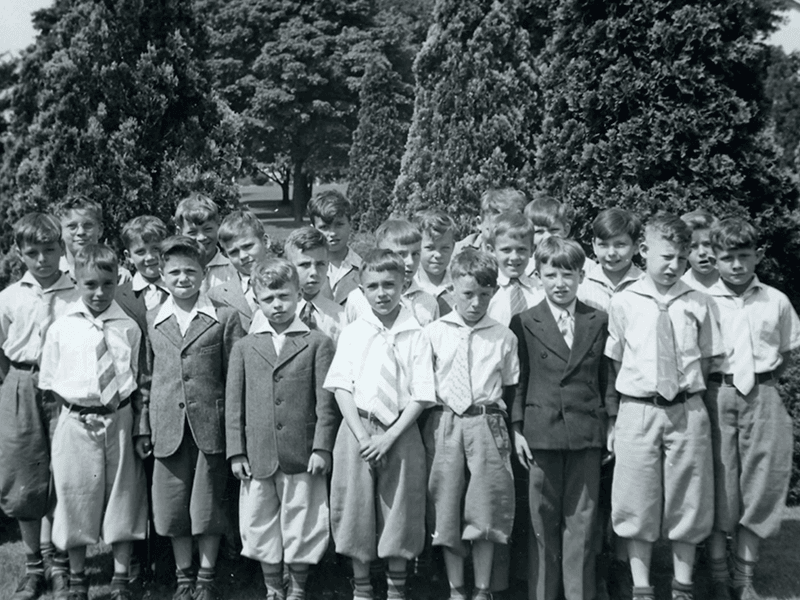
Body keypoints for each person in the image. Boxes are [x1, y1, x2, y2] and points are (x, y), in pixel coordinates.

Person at [605, 213, 722, 600]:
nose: (674, 265)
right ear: (644, 251)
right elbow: (616, 360)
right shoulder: (624, 302)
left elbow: (707, 359)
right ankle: (642, 587)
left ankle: (682, 586)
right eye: (666, 256)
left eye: (681, 258)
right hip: (638, 409)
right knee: (635, 499)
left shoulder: (700, 302)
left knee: (689, 499)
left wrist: (687, 396)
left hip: (686, 410)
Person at [324, 249, 436, 600]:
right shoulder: (354, 332)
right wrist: (361, 436)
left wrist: (389, 437)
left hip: (400, 429)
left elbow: (422, 393)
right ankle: (362, 587)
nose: (382, 293)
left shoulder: (417, 333)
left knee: (400, 506)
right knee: (355, 505)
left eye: (390, 284)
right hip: (357, 428)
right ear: (361, 290)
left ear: (404, 284)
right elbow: (341, 387)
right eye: (373, 286)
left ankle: (396, 588)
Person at [39, 244, 148, 600]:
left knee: (124, 496)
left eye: (107, 283)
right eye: (90, 285)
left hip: (119, 419)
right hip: (76, 421)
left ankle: (120, 579)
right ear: (76, 281)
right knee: (75, 497)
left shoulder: (128, 327)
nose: (99, 292)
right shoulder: (61, 328)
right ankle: (77, 579)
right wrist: (69, 422)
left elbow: (136, 380)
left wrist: (135, 426)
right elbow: (51, 384)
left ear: (117, 281)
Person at [138, 235, 245, 600]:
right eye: (174, 273)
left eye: (190, 271)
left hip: (209, 428)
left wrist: (234, 432)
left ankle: (206, 576)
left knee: (207, 506)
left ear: (203, 273)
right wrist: (143, 427)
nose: (182, 278)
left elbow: (234, 379)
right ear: (162, 274)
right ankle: (184, 576)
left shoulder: (223, 317)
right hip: (167, 428)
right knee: (172, 507)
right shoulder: (153, 319)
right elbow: (147, 378)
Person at [227, 258, 338, 600]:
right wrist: (236, 451)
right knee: (258, 521)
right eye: (268, 299)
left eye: (284, 297)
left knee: (303, 521)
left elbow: (325, 403)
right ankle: (273, 586)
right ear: (257, 301)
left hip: (301, 453)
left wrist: (322, 447)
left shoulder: (317, 343)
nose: (277, 305)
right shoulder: (245, 347)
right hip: (258, 454)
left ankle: (298, 587)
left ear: (298, 296)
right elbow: (234, 404)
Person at [510, 237, 614, 600]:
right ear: (538, 276)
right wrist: (517, 428)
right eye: (551, 275)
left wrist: (611, 425)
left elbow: (606, 377)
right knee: (541, 521)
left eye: (568, 275)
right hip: (541, 435)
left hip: (586, 433)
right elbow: (518, 379)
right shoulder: (524, 322)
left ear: (581, 276)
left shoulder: (597, 320)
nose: (559, 283)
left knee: (582, 523)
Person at [703, 218, 800, 600]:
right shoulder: (701, 299)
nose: (737, 265)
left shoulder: (775, 300)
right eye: (727, 258)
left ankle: (744, 578)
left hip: (762, 394)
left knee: (761, 483)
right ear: (715, 259)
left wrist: (763, 379)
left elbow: (787, 352)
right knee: (717, 483)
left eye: (744, 256)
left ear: (757, 255)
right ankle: (717, 575)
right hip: (716, 393)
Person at [421, 248, 519, 600]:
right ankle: (455, 588)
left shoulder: (504, 336)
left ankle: (482, 588)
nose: (476, 303)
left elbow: (510, 385)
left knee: (485, 505)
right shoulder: (433, 333)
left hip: (486, 421)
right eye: (468, 294)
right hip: (445, 421)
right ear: (452, 289)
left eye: (485, 295)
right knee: (446, 504)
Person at [0, 213, 78, 600]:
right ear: (19, 254)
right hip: (22, 382)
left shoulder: (77, 293)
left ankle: (59, 565)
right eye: (33, 252)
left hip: (65, 386)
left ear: (62, 248)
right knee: (23, 477)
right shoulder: (9, 297)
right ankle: (34, 568)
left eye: (50, 249)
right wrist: (16, 382)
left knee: (65, 473)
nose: (43, 259)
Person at [344, 220, 439, 327]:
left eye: (415, 254)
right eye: (401, 254)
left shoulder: (428, 302)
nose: (410, 262)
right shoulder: (358, 299)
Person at [209, 210, 272, 331]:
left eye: (248, 246)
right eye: (233, 252)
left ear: (265, 242)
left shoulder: (292, 281)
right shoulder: (217, 295)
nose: (242, 256)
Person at [281, 227, 343, 343]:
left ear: (328, 265)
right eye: (305, 265)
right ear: (289, 266)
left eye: (320, 264)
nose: (314, 272)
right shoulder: (274, 313)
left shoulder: (340, 316)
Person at [54, 195, 131, 283]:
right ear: (59, 231)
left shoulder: (120, 278)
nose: (81, 232)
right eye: (72, 226)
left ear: (100, 230)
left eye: (88, 225)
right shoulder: (49, 276)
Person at [578, 207, 643, 312]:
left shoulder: (646, 286)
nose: (611, 253)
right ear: (594, 246)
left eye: (620, 245)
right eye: (603, 245)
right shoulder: (581, 287)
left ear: (635, 247)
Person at [485, 212, 543, 327]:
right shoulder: (486, 291)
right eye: (506, 250)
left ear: (532, 250)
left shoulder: (540, 290)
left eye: (521, 249)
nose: (514, 257)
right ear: (491, 251)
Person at [115, 215, 170, 333]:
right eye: (140, 252)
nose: (149, 257)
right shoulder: (117, 297)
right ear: (128, 256)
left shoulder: (183, 289)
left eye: (156, 249)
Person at [174, 193, 237, 294]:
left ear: (218, 227)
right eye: (192, 232)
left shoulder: (233, 271)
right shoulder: (173, 272)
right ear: (179, 232)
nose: (201, 238)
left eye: (208, 229)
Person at [307, 190, 362, 305]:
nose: (332, 233)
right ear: (313, 229)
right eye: (324, 227)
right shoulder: (304, 270)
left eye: (339, 225)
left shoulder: (364, 269)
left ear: (350, 224)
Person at [454, 188, 527, 255]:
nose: (504, 229)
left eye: (510, 224)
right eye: (497, 224)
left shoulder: (526, 254)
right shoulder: (457, 252)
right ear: (479, 223)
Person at [414, 209, 456, 316]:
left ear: (453, 247)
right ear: (416, 247)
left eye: (445, 248)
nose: (438, 255)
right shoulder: (408, 288)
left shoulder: (459, 285)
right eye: (430, 247)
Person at [680, 209, 719, 291]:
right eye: (693, 246)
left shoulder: (737, 284)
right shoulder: (678, 290)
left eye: (707, 244)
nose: (701, 252)